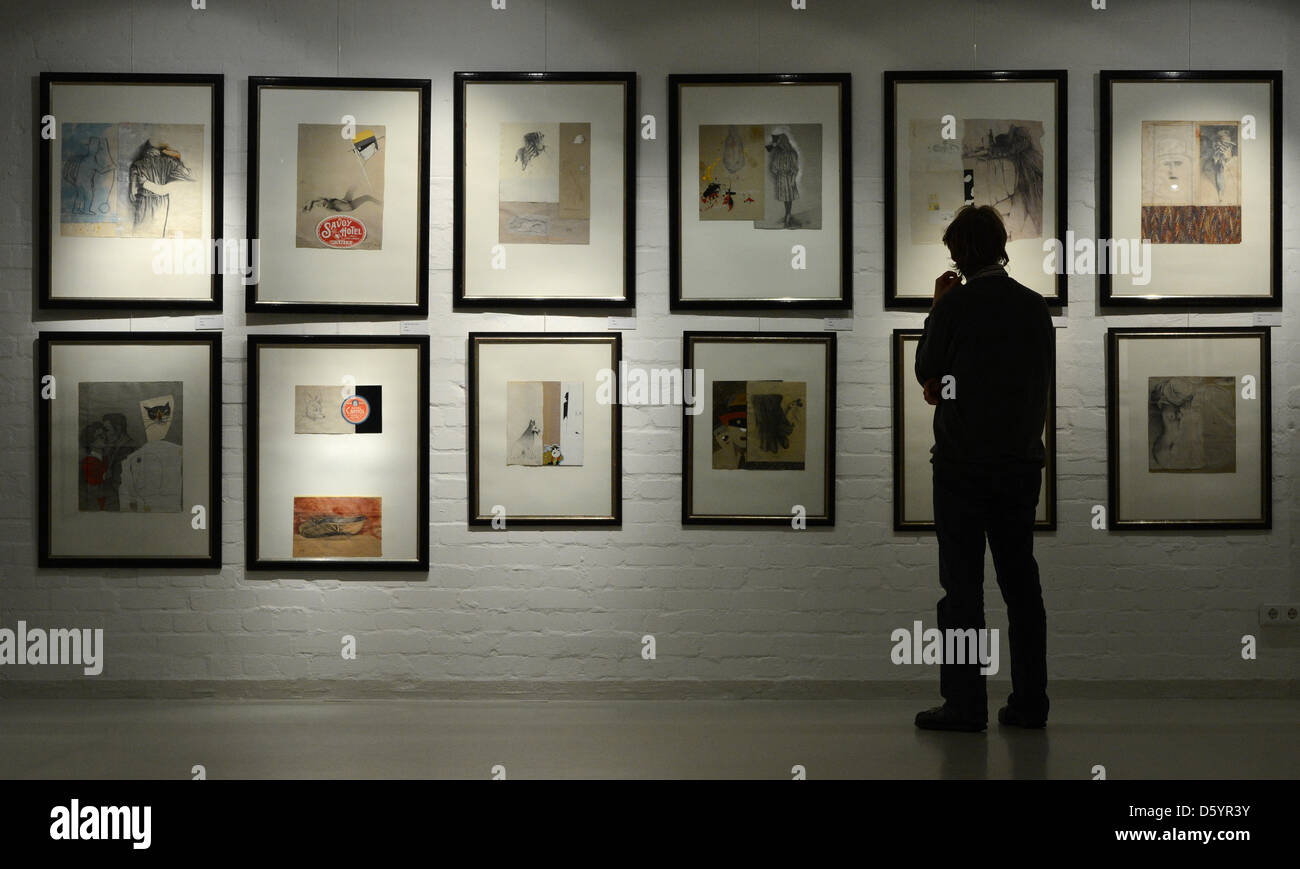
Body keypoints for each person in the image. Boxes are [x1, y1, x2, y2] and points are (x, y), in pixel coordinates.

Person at [912, 204, 1054, 733]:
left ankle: (965, 704)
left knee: (962, 590)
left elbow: (928, 367)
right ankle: (1030, 703)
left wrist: (937, 307)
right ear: (1001, 246)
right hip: (1020, 465)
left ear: (959, 252)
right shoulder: (1034, 307)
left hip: (960, 467)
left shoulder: (957, 304)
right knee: (1022, 586)